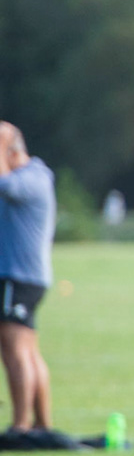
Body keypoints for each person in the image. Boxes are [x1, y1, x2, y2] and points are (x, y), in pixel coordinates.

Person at [0, 122, 55, 433]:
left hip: (19, 276)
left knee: (15, 349)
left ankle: (21, 425)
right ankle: (41, 424)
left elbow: (3, 185)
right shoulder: (25, 177)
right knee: (28, 350)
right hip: (22, 277)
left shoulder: (31, 177)